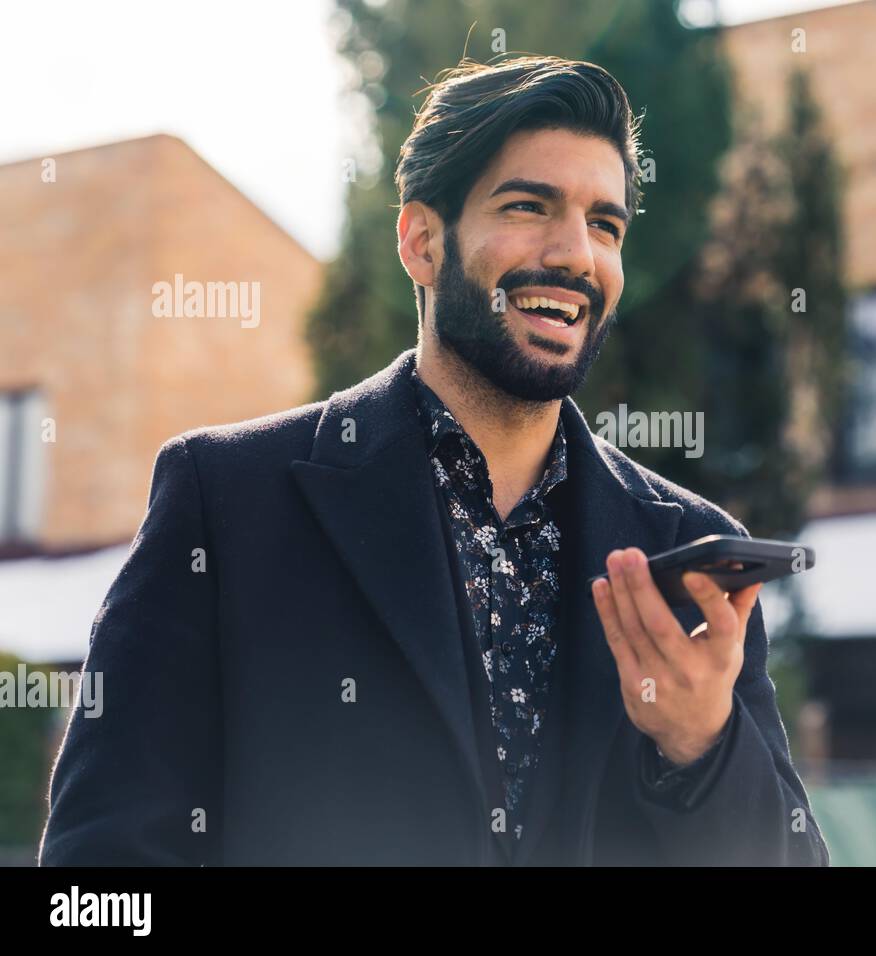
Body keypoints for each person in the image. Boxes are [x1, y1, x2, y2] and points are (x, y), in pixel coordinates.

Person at [39, 54, 830, 866]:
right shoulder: (228, 501)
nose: (575, 254)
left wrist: (704, 748)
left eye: (606, 225)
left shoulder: (685, 547)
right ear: (421, 242)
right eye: (530, 206)